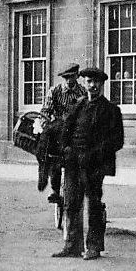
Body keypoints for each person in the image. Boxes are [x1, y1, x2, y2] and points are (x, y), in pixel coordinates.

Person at [52, 67, 125, 261]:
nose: (92, 86)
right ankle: (72, 246)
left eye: (96, 82)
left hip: (95, 166)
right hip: (74, 163)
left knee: (93, 205)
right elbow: (65, 131)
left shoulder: (111, 110)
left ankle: (94, 247)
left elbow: (117, 141)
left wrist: (94, 155)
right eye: (88, 82)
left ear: (102, 85)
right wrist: (65, 148)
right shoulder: (78, 105)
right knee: (71, 204)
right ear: (84, 83)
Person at [38, 63, 85, 204]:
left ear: (77, 76)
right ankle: (52, 187)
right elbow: (45, 111)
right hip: (58, 129)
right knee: (52, 156)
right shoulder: (55, 91)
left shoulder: (82, 92)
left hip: (75, 131)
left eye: (72, 77)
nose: (69, 81)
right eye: (66, 78)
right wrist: (45, 123)